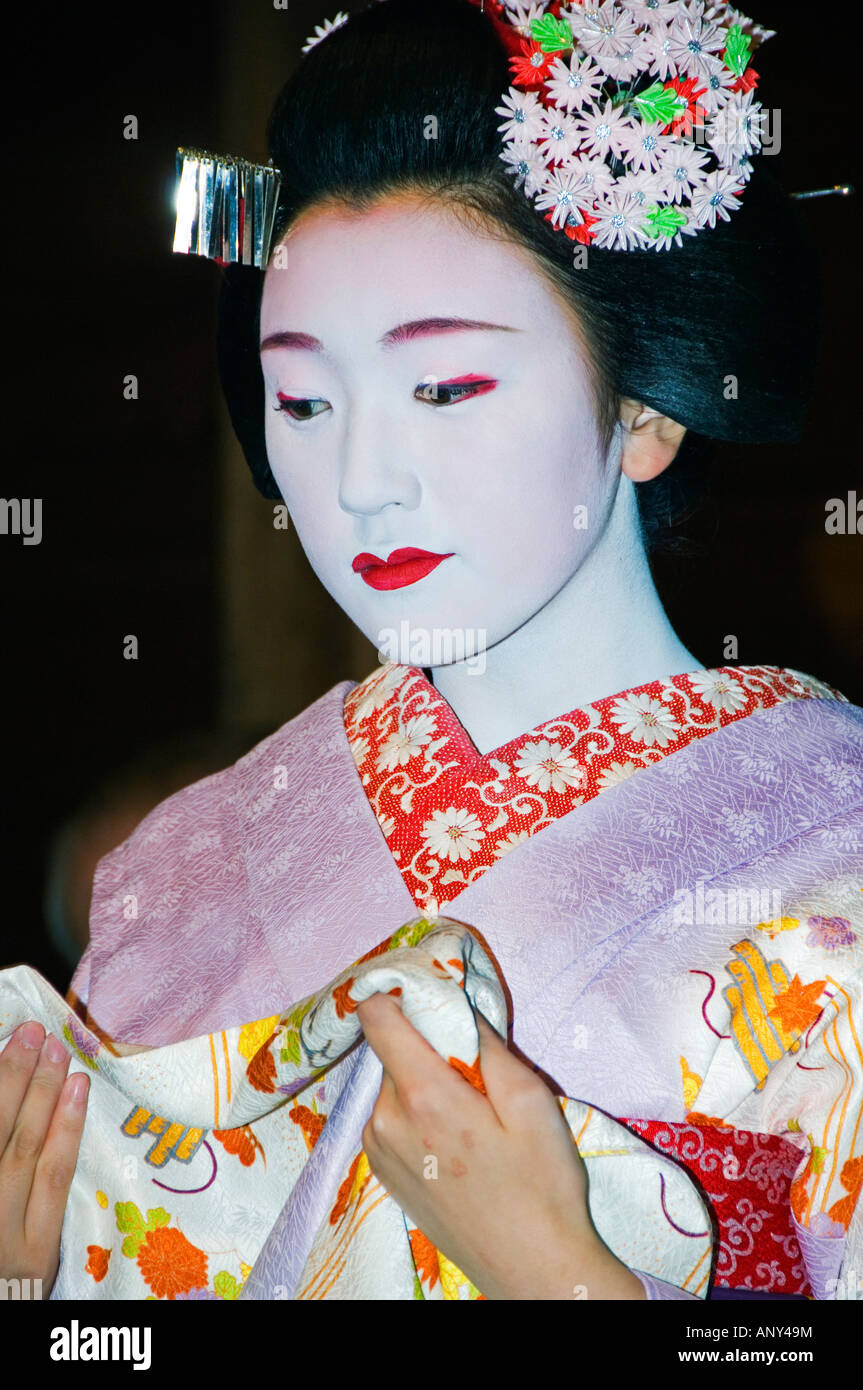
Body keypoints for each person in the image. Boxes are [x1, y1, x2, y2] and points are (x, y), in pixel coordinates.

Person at [2, 0, 861, 1301]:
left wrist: (568, 1278)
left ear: (643, 407)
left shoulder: (832, 845)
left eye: (446, 388)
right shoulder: (182, 861)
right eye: (303, 398)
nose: (361, 480)